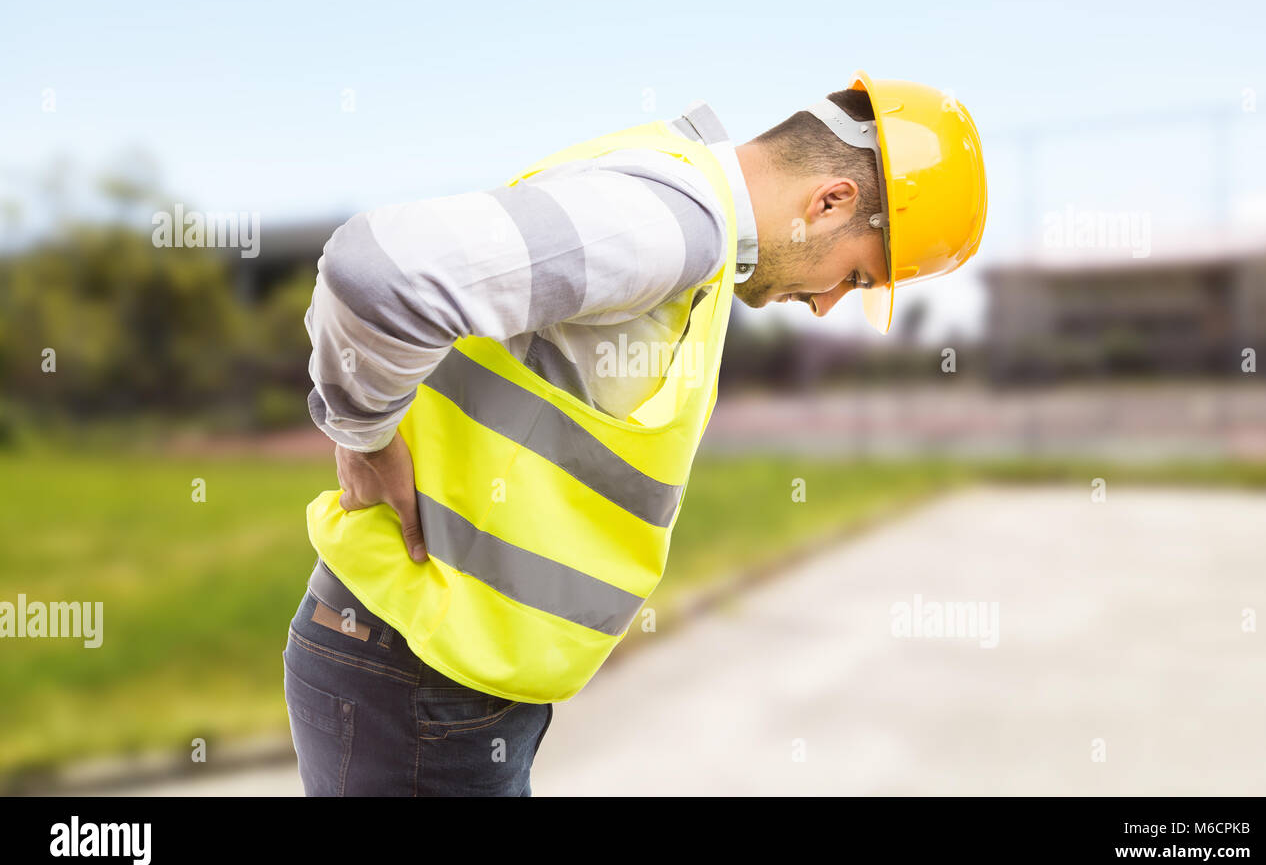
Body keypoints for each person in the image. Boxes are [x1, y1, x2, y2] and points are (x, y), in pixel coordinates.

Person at [282, 70, 987, 795]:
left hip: (441, 679)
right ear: (831, 201)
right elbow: (375, 271)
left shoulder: (682, 214)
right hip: (416, 676)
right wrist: (363, 433)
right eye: (857, 277)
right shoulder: (676, 222)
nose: (828, 304)